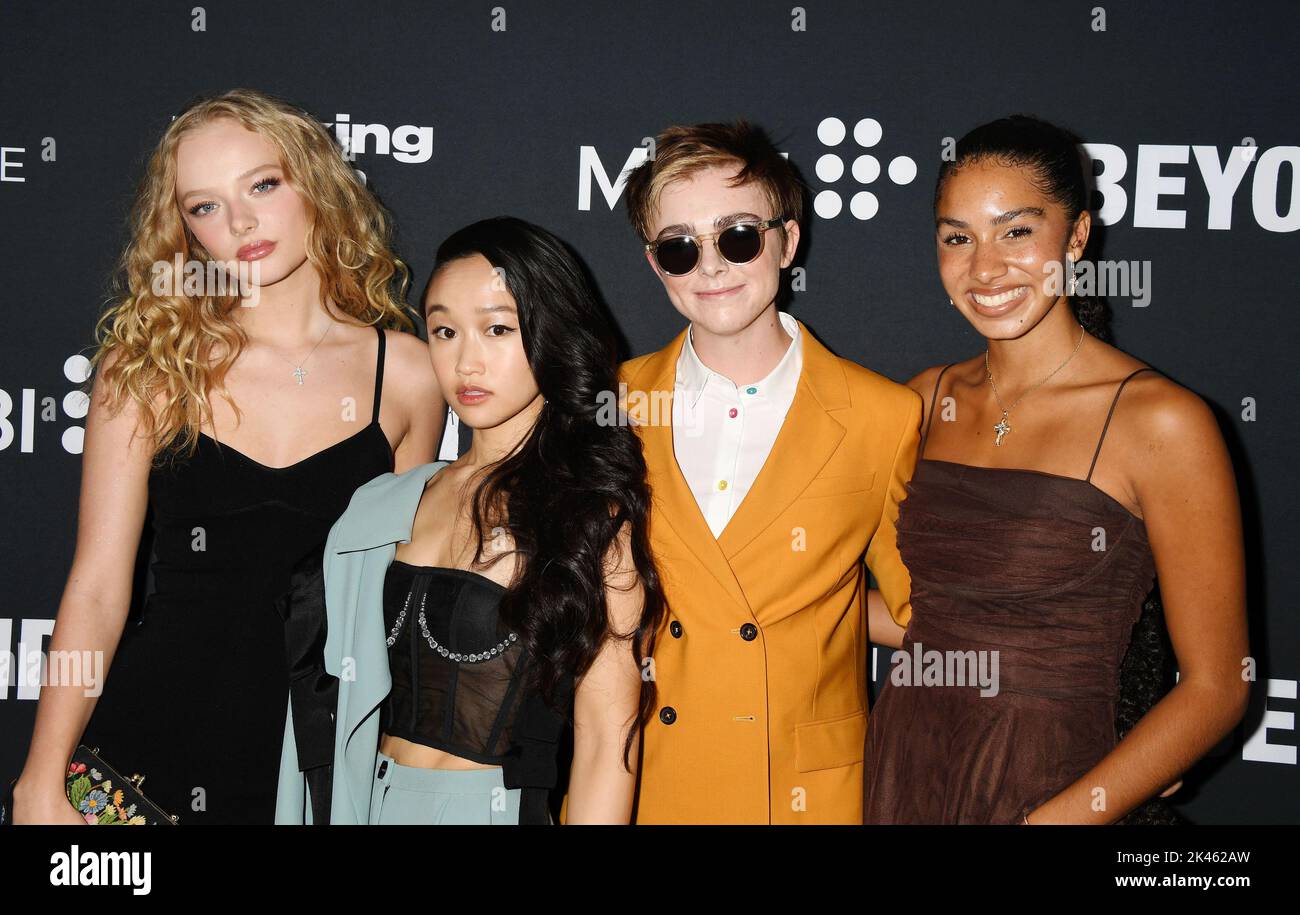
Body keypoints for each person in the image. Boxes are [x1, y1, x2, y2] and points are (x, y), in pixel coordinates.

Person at [11, 88, 443, 825]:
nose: (239, 222)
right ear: (183, 231)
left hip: (310, 769)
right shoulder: (145, 366)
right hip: (136, 769)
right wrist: (39, 779)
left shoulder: (407, 374)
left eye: (262, 185)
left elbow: (388, 604)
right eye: (204, 206)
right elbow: (97, 588)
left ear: (315, 184)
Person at [863, 114, 1250, 824]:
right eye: (958, 238)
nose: (984, 268)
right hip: (904, 760)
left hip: (1054, 783)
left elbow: (1219, 686)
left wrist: (1057, 820)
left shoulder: (1161, 420)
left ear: (1076, 236)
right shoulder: (924, 398)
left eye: (1016, 231)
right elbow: (932, 618)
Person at [275, 216, 664, 824]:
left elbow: (605, 747)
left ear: (551, 332)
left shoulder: (590, 520)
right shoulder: (384, 502)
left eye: (498, 328)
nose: (466, 361)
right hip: (363, 806)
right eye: (445, 331)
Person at [616, 121, 920, 824]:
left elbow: (920, 616)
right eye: (681, 248)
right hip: (646, 777)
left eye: (739, 235)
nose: (712, 267)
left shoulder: (882, 415)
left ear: (787, 239)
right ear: (656, 265)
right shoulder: (614, 404)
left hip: (803, 793)